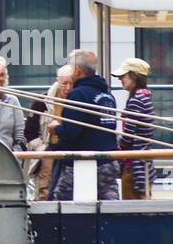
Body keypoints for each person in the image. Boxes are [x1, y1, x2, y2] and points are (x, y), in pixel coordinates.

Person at [48, 49, 120, 201]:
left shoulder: (78, 95)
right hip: (108, 162)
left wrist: (55, 128)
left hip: (81, 164)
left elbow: (71, 132)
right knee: (111, 208)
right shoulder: (108, 96)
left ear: (77, 70)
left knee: (60, 206)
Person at [25, 64, 73, 200]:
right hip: (48, 151)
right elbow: (29, 131)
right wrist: (43, 149)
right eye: (64, 83)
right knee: (44, 190)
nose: (68, 88)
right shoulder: (42, 101)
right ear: (57, 81)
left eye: (71, 83)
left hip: (69, 150)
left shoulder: (77, 100)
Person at [113, 58, 155, 200]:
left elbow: (128, 136)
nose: (120, 79)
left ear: (134, 76)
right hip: (143, 164)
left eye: (123, 75)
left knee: (131, 206)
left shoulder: (136, 100)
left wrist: (118, 147)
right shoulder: (145, 97)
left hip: (134, 166)